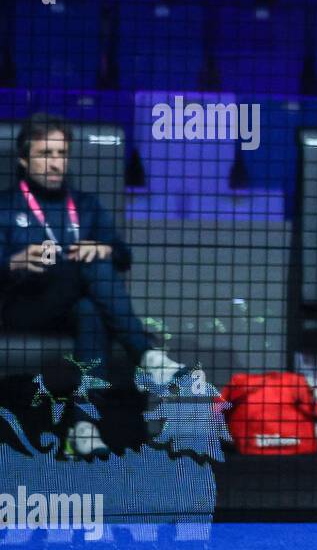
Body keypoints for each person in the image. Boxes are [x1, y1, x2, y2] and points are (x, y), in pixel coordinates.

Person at [0, 113, 182, 456]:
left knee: (91, 308)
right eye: (45, 154)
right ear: (24, 160)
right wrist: (15, 259)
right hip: (25, 304)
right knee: (93, 268)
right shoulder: (5, 205)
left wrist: (105, 247)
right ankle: (146, 354)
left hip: (73, 307)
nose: (55, 164)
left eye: (61, 154)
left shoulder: (85, 204)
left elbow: (123, 254)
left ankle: (84, 425)